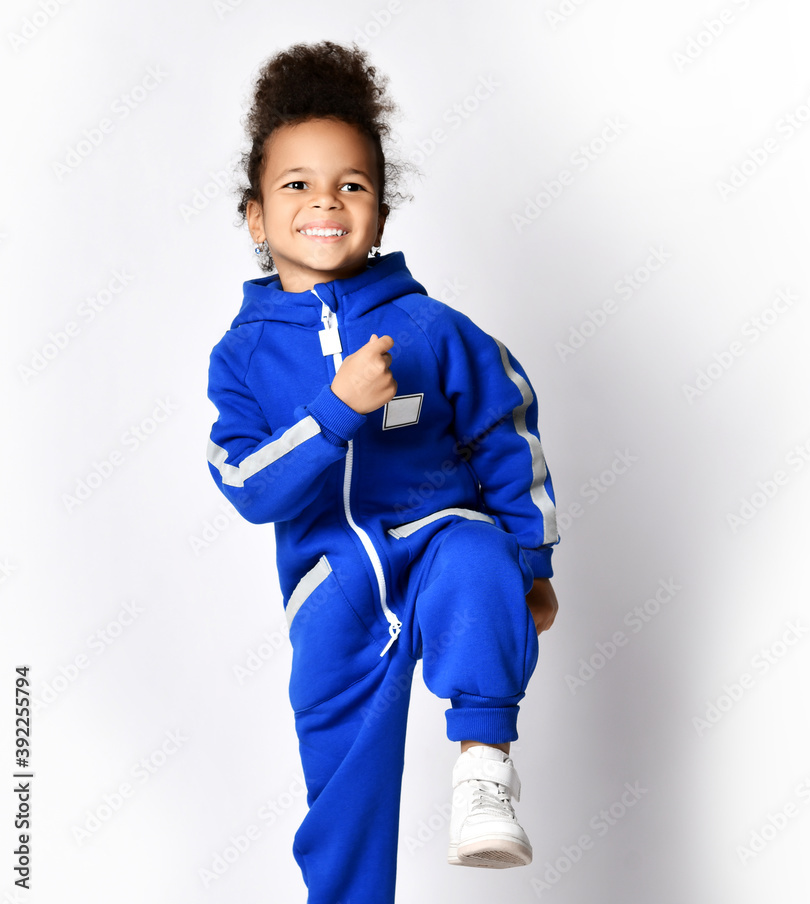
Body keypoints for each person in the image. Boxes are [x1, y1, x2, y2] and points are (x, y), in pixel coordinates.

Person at [204, 40, 560, 903]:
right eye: (297, 185)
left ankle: (484, 770)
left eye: (351, 185)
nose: (324, 200)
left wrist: (534, 564)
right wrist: (335, 411)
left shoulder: (432, 328)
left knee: (475, 552)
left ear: (381, 213)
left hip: (439, 542)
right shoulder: (241, 358)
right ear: (256, 217)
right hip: (332, 589)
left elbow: (507, 433)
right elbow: (250, 486)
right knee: (339, 807)